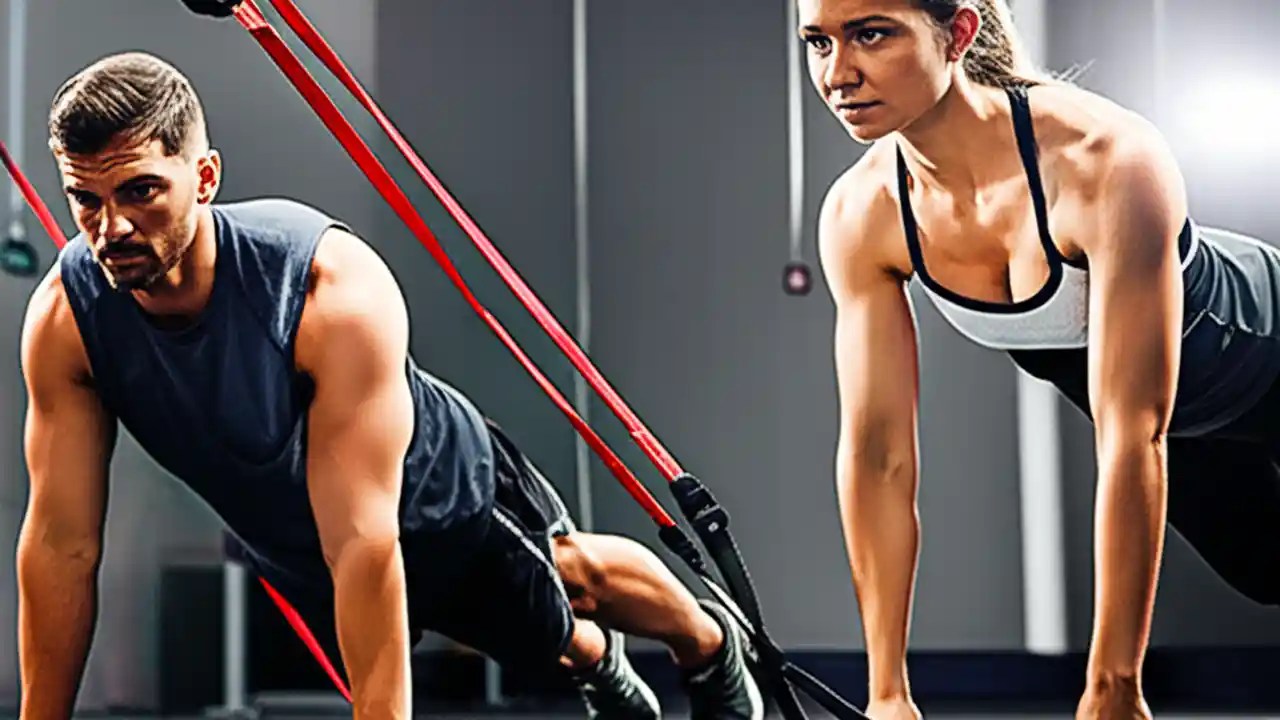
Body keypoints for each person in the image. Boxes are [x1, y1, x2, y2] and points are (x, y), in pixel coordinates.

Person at [16, 51, 764, 720]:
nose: (112, 228)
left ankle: (707, 645)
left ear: (205, 178)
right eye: (87, 199)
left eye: (141, 191)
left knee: (572, 581)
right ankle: (600, 668)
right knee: (544, 639)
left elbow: (364, 542)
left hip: (436, 496)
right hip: (301, 539)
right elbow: (60, 546)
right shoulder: (66, 319)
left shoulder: (325, 288)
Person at [802, 0, 1280, 719]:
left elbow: (1131, 432)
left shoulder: (1106, 159)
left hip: (1257, 357)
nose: (838, 73)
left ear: (958, 34)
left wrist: (1114, 686)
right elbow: (879, 457)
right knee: (1265, 570)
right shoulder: (862, 213)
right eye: (818, 42)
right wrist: (886, 693)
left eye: (871, 35)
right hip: (1193, 425)